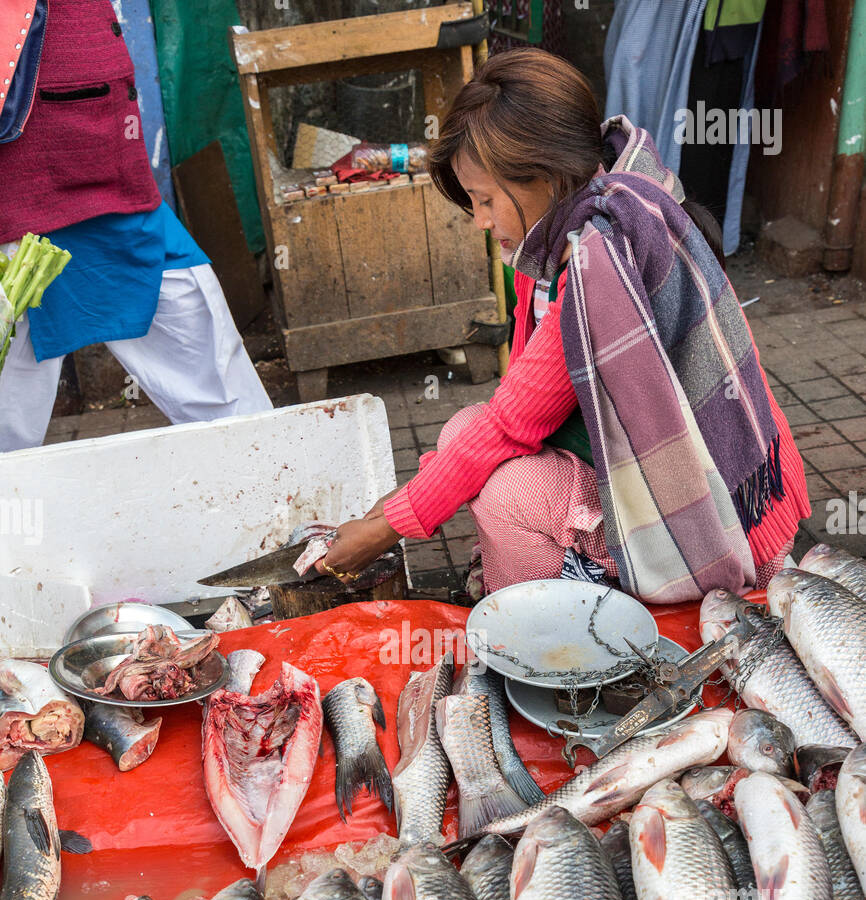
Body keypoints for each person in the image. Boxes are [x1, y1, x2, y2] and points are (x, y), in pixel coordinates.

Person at [316, 50, 810, 604]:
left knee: (507, 494)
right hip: (716, 482)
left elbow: (508, 425)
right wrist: (394, 505)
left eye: (485, 200)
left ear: (546, 177)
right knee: (462, 438)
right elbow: (516, 408)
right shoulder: (586, 207)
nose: (480, 221)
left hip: (727, 521)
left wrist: (387, 525)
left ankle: (562, 635)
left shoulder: (600, 259)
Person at [0, 0, 271, 453]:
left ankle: (277, 485)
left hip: (111, 169)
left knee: (210, 361)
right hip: (20, 185)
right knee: (9, 418)